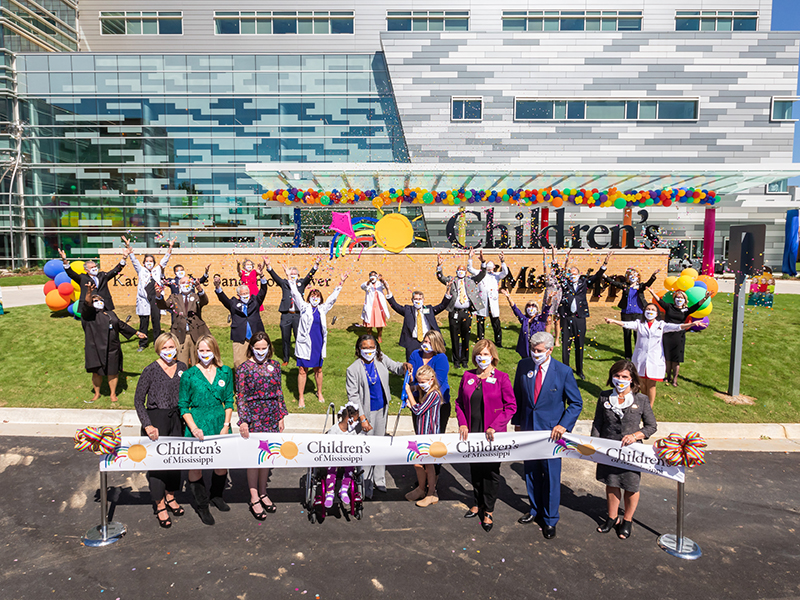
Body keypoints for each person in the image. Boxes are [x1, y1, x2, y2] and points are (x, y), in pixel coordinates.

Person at [513, 331, 583, 540]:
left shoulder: (563, 371)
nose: (535, 353)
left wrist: (563, 425)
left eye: (539, 350)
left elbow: (576, 403)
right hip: (529, 431)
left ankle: (550, 518)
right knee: (531, 472)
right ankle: (534, 509)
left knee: (551, 476)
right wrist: (518, 423)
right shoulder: (523, 366)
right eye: (533, 349)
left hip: (552, 434)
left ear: (550, 350)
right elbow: (518, 396)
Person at [591, 359, 657, 540]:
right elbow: (598, 423)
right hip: (608, 450)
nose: (620, 379)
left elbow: (651, 426)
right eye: (617, 375)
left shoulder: (641, 400)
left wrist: (635, 436)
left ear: (632, 379)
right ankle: (612, 518)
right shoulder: (604, 397)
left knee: (631, 485)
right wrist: (594, 446)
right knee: (611, 482)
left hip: (631, 452)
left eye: (624, 376)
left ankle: (627, 520)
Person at [455, 339, 517, 532]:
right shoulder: (468, 376)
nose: (482, 358)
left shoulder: (502, 378)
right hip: (472, 432)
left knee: (490, 472)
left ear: (493, 356)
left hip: (492, 434)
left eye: (486, 354)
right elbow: (459, 403)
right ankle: (477, 502)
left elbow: (511, 406)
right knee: (475, 469)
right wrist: (463, 423)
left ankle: (488, 510)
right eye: (479, 354)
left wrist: (496, 426)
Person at [345, 334, 411, 498]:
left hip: (381, 410)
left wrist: (404, 366)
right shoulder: (353, 369)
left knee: (380, 445)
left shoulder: (381, 359)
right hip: (365, 413)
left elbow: (396, 367)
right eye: (365, 348)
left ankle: (379, 480)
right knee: (367, 448)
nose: (369, 351)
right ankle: (366, 484)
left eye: (371, 347)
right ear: (359, 349)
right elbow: (353, 397)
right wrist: (362, 418)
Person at [178, 335, 234, 526]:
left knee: (221, 464)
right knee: (196, 466)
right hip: (198, 424)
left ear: (215, 351)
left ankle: (216, 496)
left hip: (219, 423)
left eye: (208, 350)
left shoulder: (225, 372)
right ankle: (202, 505)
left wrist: (226, 425)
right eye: (201, 350)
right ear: (196, 352)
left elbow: (229, 401)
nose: (204, 354)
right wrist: (193, 428)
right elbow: (183, 406)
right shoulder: (189, 375)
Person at [133, 333, 187, 528]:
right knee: (158, 464)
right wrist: (148, 424)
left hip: (177, 419)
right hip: (156, 420)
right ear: (158, 349)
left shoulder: (182, 367)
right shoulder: (150, 370)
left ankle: (171, 495)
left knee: (174, 461)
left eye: (171, 347)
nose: (168, 351)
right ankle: (159, 503)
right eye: (164, 348)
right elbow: (138, 400)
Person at [236, 332, 288, 520]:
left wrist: (281, 415)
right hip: (253, 416)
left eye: (264, 348)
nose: (260, 351)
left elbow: (279, 391)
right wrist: (243, 420)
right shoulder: (244, 369)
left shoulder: (274, 366)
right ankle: (254, 497)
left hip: (271, 415)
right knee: (254, 458)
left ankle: (263, 491)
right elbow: (241, 396)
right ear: (251, 348)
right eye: (257, 348)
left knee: (267, 456)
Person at [604, 304, 694, 407]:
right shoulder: (639, 324)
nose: (650, 311)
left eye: (652, 309)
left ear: (656, 313)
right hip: (640, 358)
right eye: (648, 309)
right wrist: (614, 321)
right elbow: (626, 324)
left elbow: (677, 327)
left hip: (655, 359)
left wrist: (691, 324)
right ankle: (643, 405)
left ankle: (649, 408)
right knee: (641, 384)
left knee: (651, 385)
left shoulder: (661, 325)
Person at [288, 267, 347, 408]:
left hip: (318, 343)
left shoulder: (322, 309)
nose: (315, 298)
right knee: (302, 370)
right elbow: (295, 294)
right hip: (305, 343)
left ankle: (319, 392)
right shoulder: (304, 307)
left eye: (317, 296)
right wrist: (290, 278)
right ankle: (301, 397)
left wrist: (341, 282)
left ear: (320, 299)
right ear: (309, 298)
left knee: (318, 369)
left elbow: (332, 299)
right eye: (313, 296)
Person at [80, 282, 146, 403]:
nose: (99, 302)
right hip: (95, 348)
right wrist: (89, 292)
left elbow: (120, 324)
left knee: (113, 371)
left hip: (112, 347)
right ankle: (97, 393)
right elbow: (87, 304)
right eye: (96, 300)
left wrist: (136, 333)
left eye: (101, 300)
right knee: (96, 372)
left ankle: (113, 393)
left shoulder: (110, 313)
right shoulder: (89, 315)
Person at [557, 250, 612, 379]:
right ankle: (565, 369)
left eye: (574, 274)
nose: (572, 276)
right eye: (570, 274)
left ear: (579, 274)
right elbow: (558, 273)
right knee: (566, 344)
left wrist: (605, 263)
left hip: (580, 317)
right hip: (566, 317)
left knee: (579, 343)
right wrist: (563, 260)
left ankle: (579, 370)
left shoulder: (583, 283)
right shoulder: (565, 284)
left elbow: (597, 276)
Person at [648, 288, 711, 387]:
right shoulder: (669, 307)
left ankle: (675, 379)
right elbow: (659, 301)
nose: (679, 299)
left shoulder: (686, 310)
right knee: (667, 357)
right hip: (667, 335)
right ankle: (668, 376)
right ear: (674, 299)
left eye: (681, 298)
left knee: (676, 359)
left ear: (685, 300)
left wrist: (705, 298)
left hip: (678, 336)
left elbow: (697, 305)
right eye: (677, 297)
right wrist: (652, 292)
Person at [436, 250, 486, 369]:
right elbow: (441, 278)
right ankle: (456, 360)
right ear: (456, 272)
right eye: (459, 270)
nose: (461, 271)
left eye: (463, 270)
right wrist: (439, 266)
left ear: (465, 272)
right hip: (454, 312)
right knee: (454, 336)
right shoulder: (452, 280)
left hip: (467, 312)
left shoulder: (471, 280)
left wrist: (483, 262)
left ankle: (464, 359)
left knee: (465, 337)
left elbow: (482, 274)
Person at [266, 256, 321, 366]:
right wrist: (268, 266)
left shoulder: (301, 283)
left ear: (298, 275)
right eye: (291, 273)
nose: (293, 275)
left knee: (299, 337)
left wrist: (316, 265)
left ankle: (300, 357)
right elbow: (275, 277)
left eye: (295, 273)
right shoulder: (284, 283)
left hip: (298, 315)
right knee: (285, 338)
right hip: (286, 315)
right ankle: (286, 359)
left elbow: (309, 276)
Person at [214, 261, 269, 368]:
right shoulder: (233, 303)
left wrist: (262, 276)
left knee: (258, 362)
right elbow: (223, 298)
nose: (245, 295)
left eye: (246, 293)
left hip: (255, 336)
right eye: (243, 294)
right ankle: (241, 378)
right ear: (238, 295)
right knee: (239, 362)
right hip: (240, 337)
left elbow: (263, 291)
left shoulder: (255, 301)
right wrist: (218, 287)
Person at [125, 236, 174, 351]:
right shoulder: (141, 270)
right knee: (144, 322)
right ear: (143, 263)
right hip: (144, 299)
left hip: (155, 299)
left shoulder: (158, 269)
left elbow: (165, 259)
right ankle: (143, 343)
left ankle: (157, 343)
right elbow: (133, 260)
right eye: (147, 261)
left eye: (151, 261)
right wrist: (128, 247)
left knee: (156, 321)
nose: (149, 263)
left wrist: (170, 247)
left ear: (154, 263)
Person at [403, 365, 443, 508]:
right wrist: (410, 382)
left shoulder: (434, 395)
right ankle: (421, 489)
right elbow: (416, 387)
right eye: (419, 382)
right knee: (418, 462)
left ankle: (431, 493)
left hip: (429, 436)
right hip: (422, 434)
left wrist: (409, 394)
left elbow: (418, 410)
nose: (421, 385)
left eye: (423, 382)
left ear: (431, 380)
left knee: (428, 465)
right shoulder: (426, 391)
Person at [383, 277, 449, 360]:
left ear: (423, 300)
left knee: (429, 361)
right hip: (412, 341)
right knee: (412, 361)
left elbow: (442, 305)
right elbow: (395, 305)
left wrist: (448, 291)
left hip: (428, 340)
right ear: (412, 300)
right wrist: (388, 289)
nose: (418, 301)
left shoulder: (428, 309)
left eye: (420, 299)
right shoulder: (408, 310)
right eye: (415, 299)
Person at [604, 267, 660, 359]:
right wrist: (604, 275)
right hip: (626, 313)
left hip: (638, 312)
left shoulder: (640, 286)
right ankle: (628, 355)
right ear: (628, 277)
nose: (633, 277)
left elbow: (648, 284)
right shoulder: (625, 286)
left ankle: (638, 353)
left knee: (638, 334)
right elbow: (613, 283)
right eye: (631, 275)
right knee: (627, 334)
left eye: (635, 275)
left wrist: (653, 276)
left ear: (638, 277)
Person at [154, 276, 210, 367]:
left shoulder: (196, 297)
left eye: (188, 282)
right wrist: (158, 295)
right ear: (179, 286)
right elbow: (163, 305)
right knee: (181, 363)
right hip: (180, 334)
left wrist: (199, 289)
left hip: (196, 334)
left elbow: (205, 301)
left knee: (197, 362)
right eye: (183, 283)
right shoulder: (174, 297)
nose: (185, 285)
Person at [58, 246, 130, 313]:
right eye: (92, 267)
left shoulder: (102, 276)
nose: (94, 268)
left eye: (95, 266)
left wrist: (124, 257)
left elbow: (115, 270)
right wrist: (64, 260)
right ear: (86, 270)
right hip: (89, 306)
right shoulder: (82, 278)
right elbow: (71, 273)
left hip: (104, 305)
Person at [407, 330, 451, 436]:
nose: (426, 344)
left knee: (437, 435)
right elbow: (411, 375)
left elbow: (437, 382)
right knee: (419, 432)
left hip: (437, 402)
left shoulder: (441, 358)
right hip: (418, 399)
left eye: (430, 343)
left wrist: (413, 389)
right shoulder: (415, 354)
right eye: (425, 341)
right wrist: (409, 375)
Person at [321, 403, 363, 510]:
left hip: (347, 458)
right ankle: (330, 493)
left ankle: (343, 490)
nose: (357, 422)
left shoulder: (353, 432)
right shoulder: (334, 430)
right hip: (333, 458)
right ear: (349, 419)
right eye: (355, 420)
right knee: (331, 468)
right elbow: (328, 448)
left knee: (351, 467)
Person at [467, 250, 509, 347]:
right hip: (482, 301)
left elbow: (505, 272)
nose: (490, 267)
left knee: (496, 322)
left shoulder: (496, 275)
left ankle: (498, 342)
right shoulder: (480, 273)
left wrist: (503, 261)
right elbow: (470, 269)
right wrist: (470, 257)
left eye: (492, 265)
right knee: (480, 322)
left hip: (492, 302)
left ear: (494, 267)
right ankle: (480, 339)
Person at [501, 288, 548, 359]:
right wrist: (508, 297)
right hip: (525, 348)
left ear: (537, 309)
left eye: (533, 305)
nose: (531, 307)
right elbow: (515, 309)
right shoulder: (524, 319)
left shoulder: (540, 319)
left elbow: (546, 310)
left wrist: (550, 299)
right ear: (526, 308)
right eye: (529, 305)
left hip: (537, 348)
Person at [542, 247, 566, 346]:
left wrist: (553, 254)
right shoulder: (547, 277)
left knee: (557, 321)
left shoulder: (560, 278)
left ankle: (556, 340)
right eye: (551, 268)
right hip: (549, 299)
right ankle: (548, 341)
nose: (552, 270)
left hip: (558, 299)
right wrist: (544, 255)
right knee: (548, 320)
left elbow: (557, 264)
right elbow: (545, 266)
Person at [360, 271, 390, 343]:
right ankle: (369, 337)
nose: (372, 277)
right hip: (370, 306)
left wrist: (382, 279)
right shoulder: (367, 284)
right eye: (371, 275)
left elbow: (386, 286)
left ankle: (379, 336)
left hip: (379, 306)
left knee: (379, 323)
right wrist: (369, 281)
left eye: (374, 275)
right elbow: (363, 286)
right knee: (368, 323)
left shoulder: (379, 283)